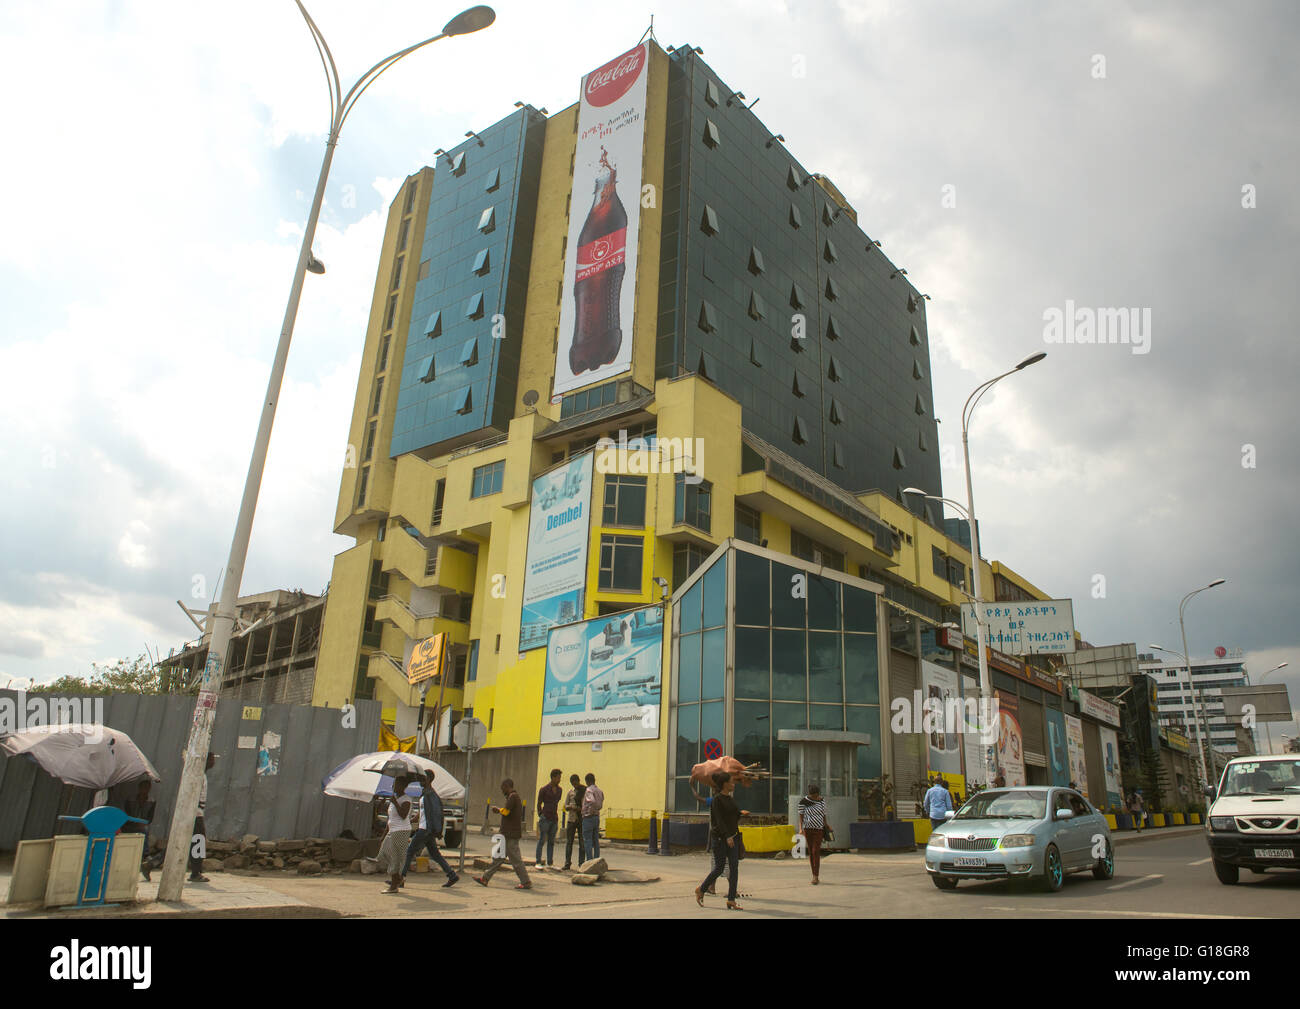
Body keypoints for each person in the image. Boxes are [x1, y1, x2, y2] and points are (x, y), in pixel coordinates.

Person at [694, 772, 747, 910]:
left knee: (734, 868)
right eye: (731, 782)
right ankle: (702, 889)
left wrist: (741, 814)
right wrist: (727, 836)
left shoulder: (730, 799)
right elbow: (718, 820)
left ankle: (731, 900)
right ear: (724, 784)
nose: (733, 784)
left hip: (733, 837)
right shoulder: (717, 800)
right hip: (720, 838)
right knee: (719, 868)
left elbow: (732, 817)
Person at [402, 770, 459, 887]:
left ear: (429, 780)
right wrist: (411, 820)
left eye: (423, 779)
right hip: (425, 829)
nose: (420, 781)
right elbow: (423, 812)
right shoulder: (424, 793)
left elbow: (436, 814)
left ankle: (400, 878)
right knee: (435, 854)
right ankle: (452, 875)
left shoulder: (431, 795)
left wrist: (436, 830)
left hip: (426, 829)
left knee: (409, 851)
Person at [474, 779, 532, 889]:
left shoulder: (513, 797)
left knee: (515, 859)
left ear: (507, 786)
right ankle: (485, 878)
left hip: (510, 834)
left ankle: (526, 881)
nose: (502, 791)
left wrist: (498, 810)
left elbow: (506, 812)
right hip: (507, 834)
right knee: (498, 858)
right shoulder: (513, 797)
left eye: (503, 788)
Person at [378, 775, 413, 894]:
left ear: (403, 786)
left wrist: (395, 803)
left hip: (401, 830)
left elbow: (403, 815)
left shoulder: (406, 799)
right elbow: (390, 819)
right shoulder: (394, 799)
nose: (394, 786)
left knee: (396, 858)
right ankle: (398, 878)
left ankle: (394, 885)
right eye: (393, 784)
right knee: (383, 853)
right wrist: (383, 836)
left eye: (396, 784)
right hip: (392, 830)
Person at [122, 778, 157, 882]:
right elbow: (126, 815)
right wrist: (134, 822)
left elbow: (150, 819)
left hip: (142, 825)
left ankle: (145, 856)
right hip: (130, 823)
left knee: (145, 829)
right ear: (139, 788)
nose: (144, 790)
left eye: (147, 788)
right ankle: (146, 857)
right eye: (143, 788)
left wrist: (142, 823)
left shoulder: (152, 801)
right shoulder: (130, 799)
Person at [189, 753, 215, 883]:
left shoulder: (201, 775)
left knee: (186, 842)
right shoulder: (199, 776)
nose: (213, 762)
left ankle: (152, 863)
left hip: (195, 813)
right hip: (196, 814)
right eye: (211, 759)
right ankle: (195, 873)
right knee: (199, 841)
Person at [797, 784, 829, 885]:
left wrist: (826, 825)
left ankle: (816, 876)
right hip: (808, 829)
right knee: (811, 852)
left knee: (816, 851)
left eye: (817, 795)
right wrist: (800, 829)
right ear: (810, 795)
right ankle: (814, 875)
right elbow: (801, 817)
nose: (816, 797)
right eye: (814, 796)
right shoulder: (803, 802)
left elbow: (823, 814)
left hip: (819, 829)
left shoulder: (822, 801)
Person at [535, 768, 563, 867]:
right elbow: (539, 803)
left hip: (554, 818)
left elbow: (557, 802)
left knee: (551, 841)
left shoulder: (560, 790)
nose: (559, 780)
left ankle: (549, 862)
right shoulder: (544, 789)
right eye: (558, 777)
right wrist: (540, 814)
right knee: (542, 839)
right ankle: (538, 861)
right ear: (553, 777)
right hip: (545, 817)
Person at [562, 773, 587, 870]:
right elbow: (565, 805)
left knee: (582, 842)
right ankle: (567, 862)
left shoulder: (584, 791)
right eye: (573, 783)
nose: (575, 785)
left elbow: (585, 805)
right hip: (572, 819)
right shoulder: (570, 792)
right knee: (569, 842)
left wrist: (579, 809)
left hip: (581, 818)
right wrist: (571, 807)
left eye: (576, 783)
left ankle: (581, 863)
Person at [580, 772, 604, 860]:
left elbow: (592, 801)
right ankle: (597, 859)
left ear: (587, 781)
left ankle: (589, 860)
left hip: (589, 817)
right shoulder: (599, 791)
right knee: (595, 840)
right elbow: (600, 803)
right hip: (596, 816)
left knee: (588, 840)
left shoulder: (589, 790)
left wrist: (589, 812)